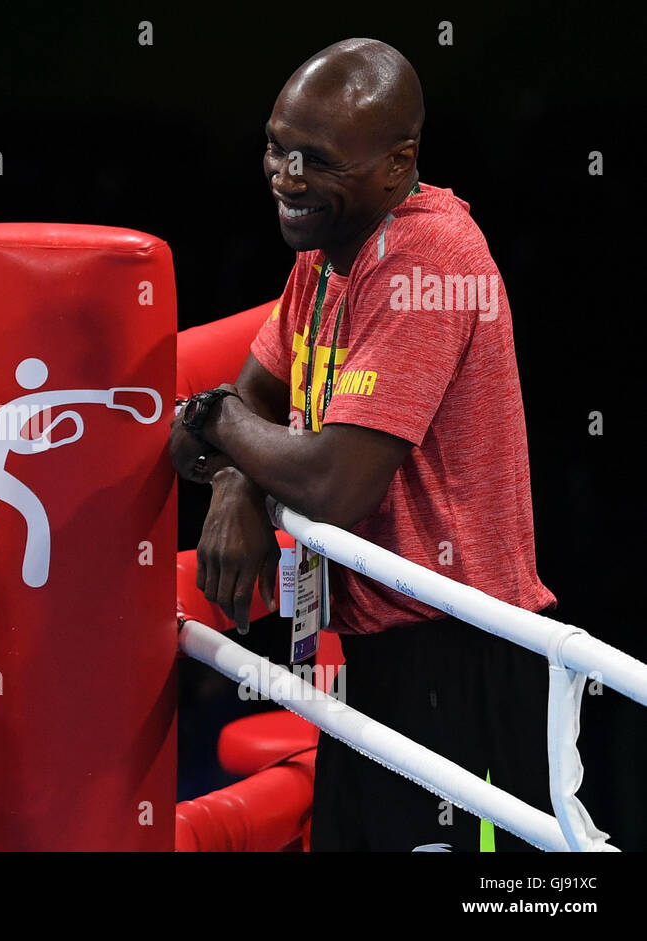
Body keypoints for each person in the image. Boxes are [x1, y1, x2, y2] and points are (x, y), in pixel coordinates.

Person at [170, 38, 556, 851]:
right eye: (276, 146)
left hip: (463, 653)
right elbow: (259, 401)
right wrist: (237, 479)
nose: (286, 175)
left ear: (397, 161)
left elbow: (335, 484)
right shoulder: (327, 249)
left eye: (316, 159)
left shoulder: (430, 258)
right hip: (374, 653)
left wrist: (210, 421)